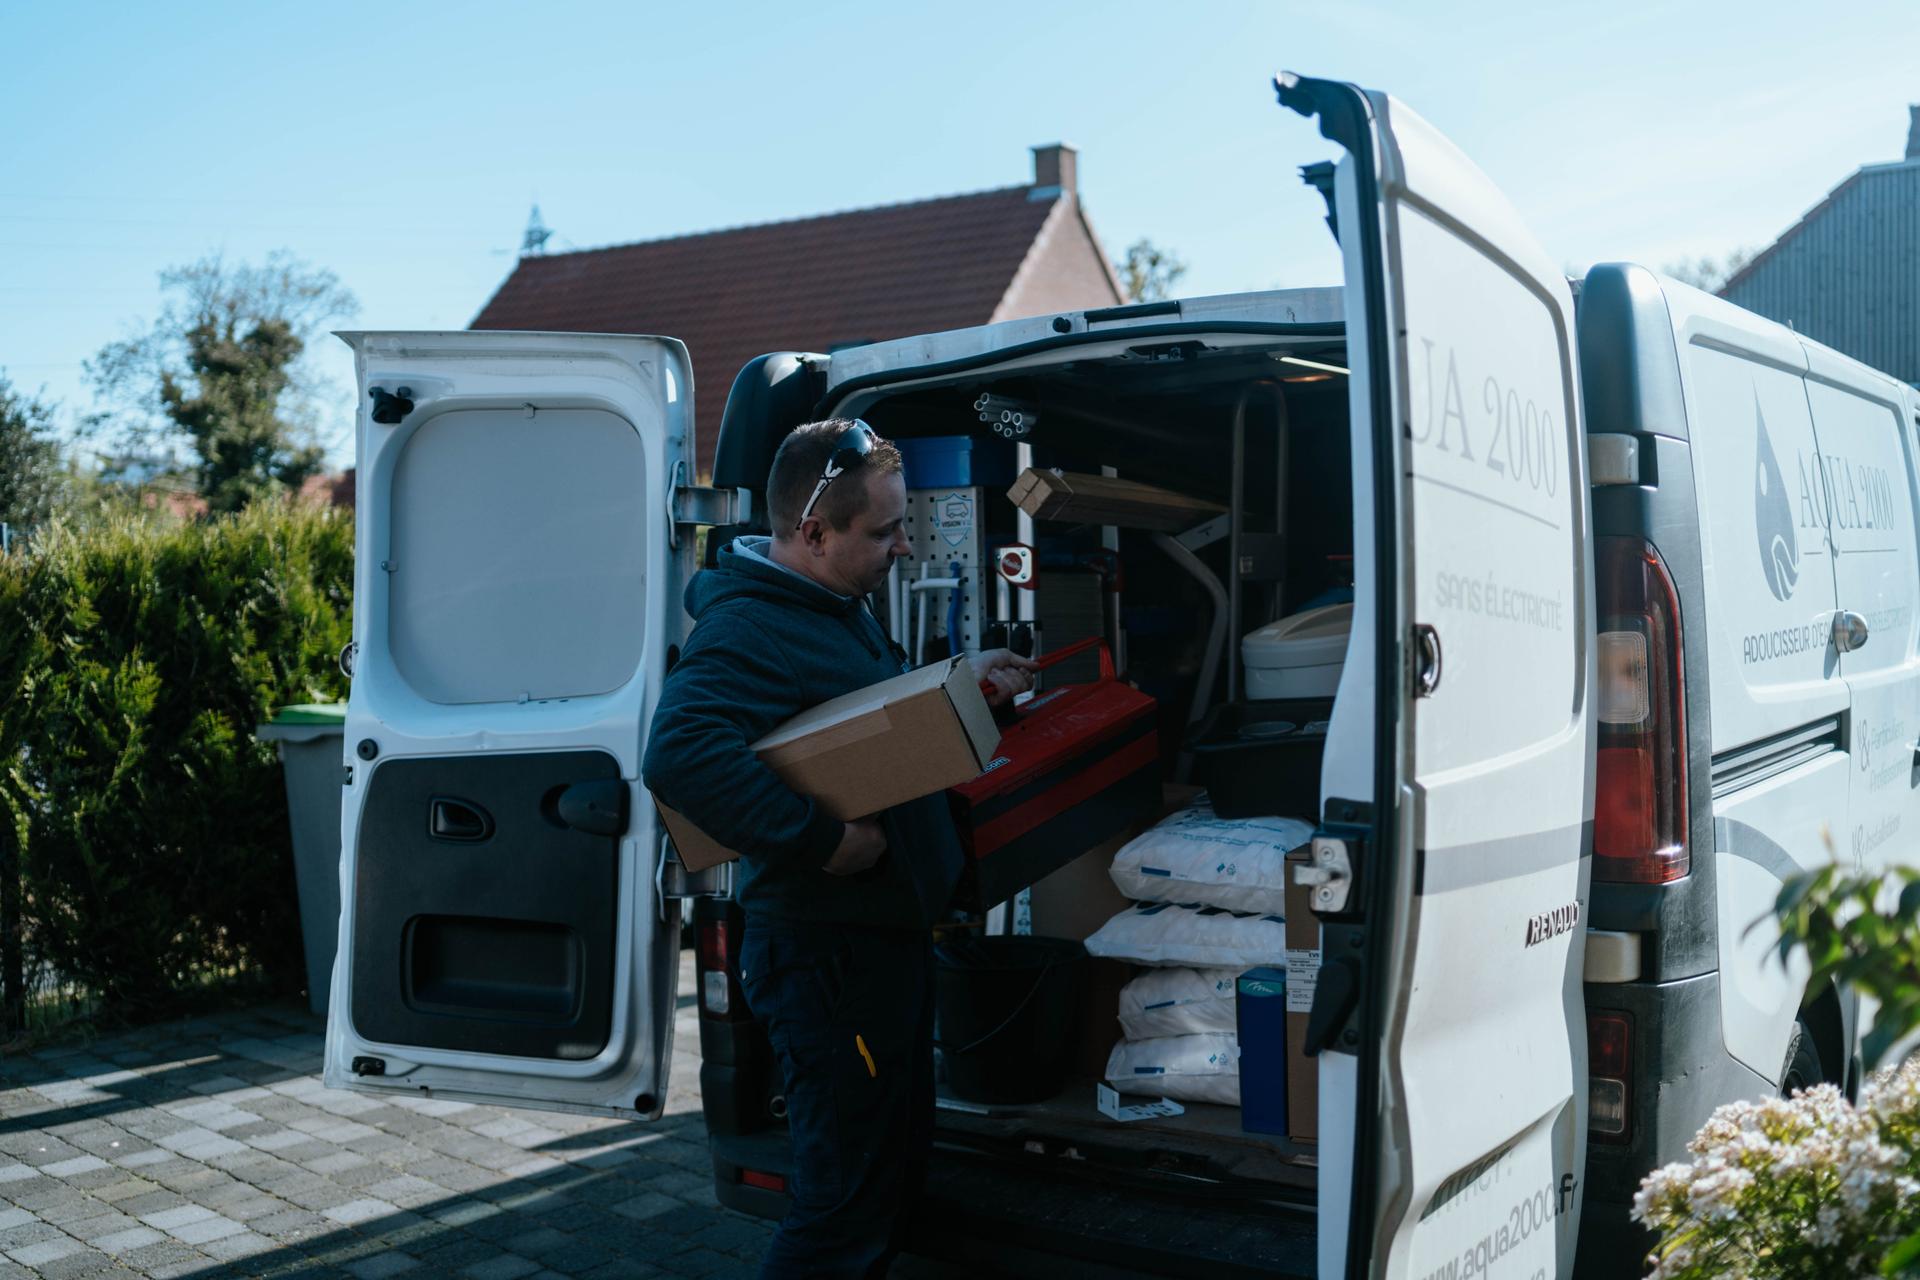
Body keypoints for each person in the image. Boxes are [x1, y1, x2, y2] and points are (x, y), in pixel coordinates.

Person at [642, 419, 1036, 1278]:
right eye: (887, 531)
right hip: (829, 962)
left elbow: (861, 735)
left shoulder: (834, 605)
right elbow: (678, 753)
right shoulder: (752, 629)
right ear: (815, 533)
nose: (903, 546)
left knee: (884, 1183)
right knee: (839, 1210)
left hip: (876, 953)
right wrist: (821, 841)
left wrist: (973, 696)